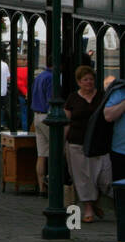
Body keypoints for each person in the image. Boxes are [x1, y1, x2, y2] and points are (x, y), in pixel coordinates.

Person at [64, 66, 111, 223]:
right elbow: (67, 122)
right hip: (77, 142)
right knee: (83, 178)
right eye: (85, 79)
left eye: (91, 79)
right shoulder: (73, 98)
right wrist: (62, 144)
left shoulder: (102, 97)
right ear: (79, 82)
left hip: (99, 143)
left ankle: (95, 200)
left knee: (104, 177)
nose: (89, 82)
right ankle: (88, 208)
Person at [30, 64, 53, 193]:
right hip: (47, 117)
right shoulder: (51, 78)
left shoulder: (39, 76)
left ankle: (41, 187)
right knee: (56, 150)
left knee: (42, 154)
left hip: (36, 115)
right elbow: (51, 100)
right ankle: (52, 182)